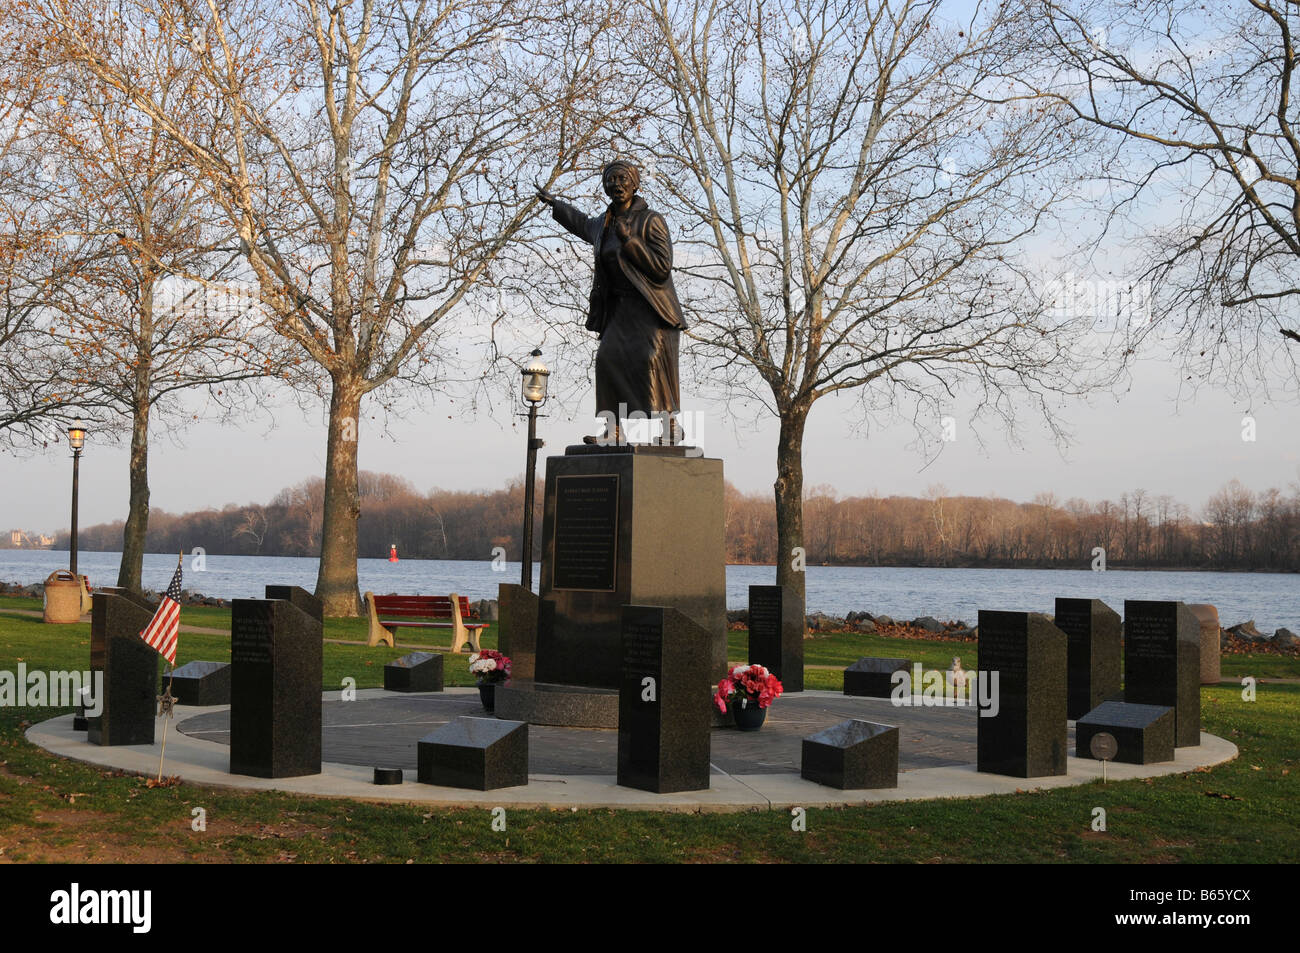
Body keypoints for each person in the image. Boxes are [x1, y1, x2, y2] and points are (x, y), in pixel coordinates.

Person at [536, 160, 686, 445]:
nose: (616, 184)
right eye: (610, 179)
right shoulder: (603, 224)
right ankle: (612, 431)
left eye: (622, 178)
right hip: (619, 310)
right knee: (607, 360)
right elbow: (580, 223)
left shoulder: (651, 220)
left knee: (650, 360)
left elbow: (662, 267)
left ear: (635, 184)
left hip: (651, 309)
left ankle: (670, 427)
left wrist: (631, 242)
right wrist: (554, 204)